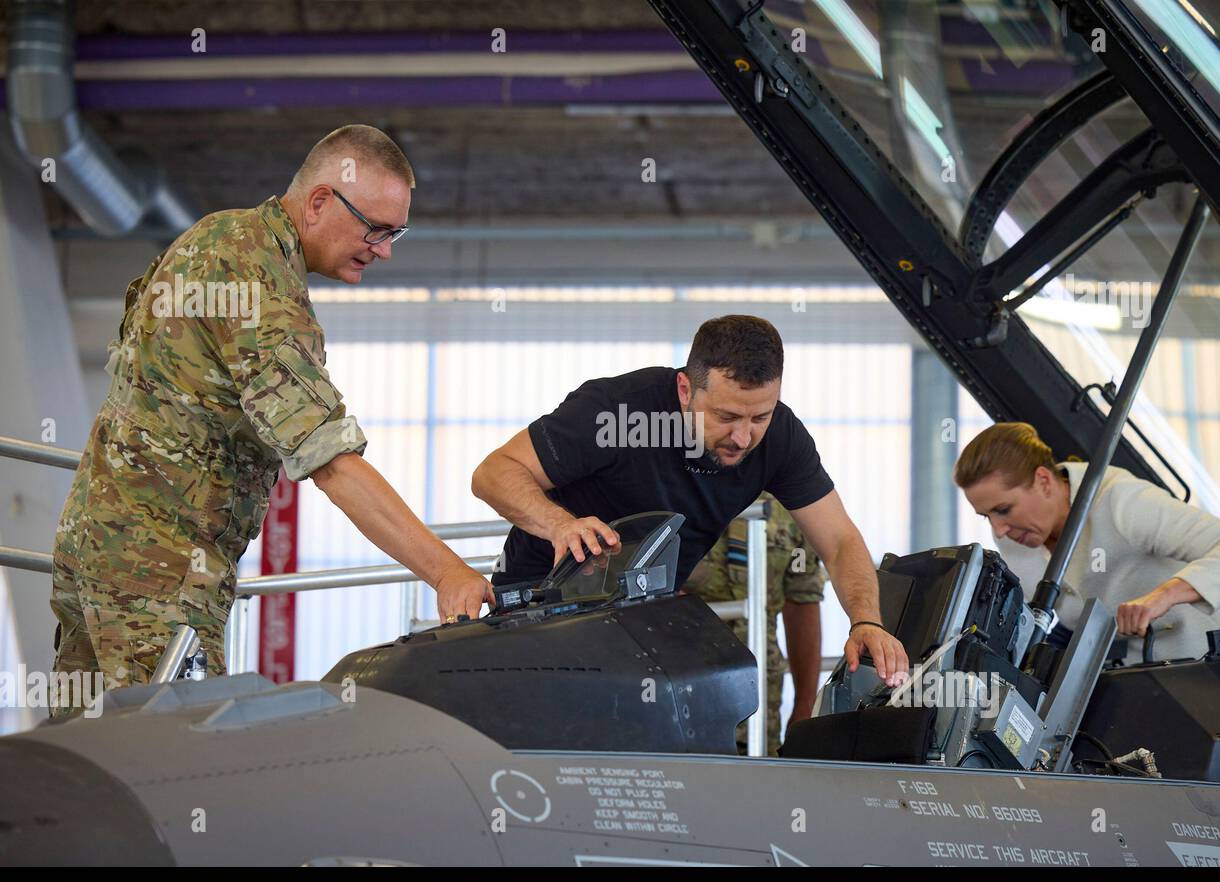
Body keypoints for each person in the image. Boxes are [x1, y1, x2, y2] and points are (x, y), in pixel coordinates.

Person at [50, 125, 491, 709]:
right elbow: (328, 458)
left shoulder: (218, 236)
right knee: (171, 770)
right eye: (377, 229)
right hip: (154, 571)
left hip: (95, 545)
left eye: (396, 233)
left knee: (78, 770)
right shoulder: (258, 285)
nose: (385, 249)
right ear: (319, 202)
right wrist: (446, 572)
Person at [471, 314, 907, 688]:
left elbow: (839, 539)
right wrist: (560, 525)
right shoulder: (616, 411)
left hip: (637, 624)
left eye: (760, 417)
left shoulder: (782, 438)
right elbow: (493, 473)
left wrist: (866, 619)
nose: (743, 437)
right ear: (684, 390)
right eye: (726, 417)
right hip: (537, 610)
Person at [954, 422, 1220, 660]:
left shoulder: (1122, 502)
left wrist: (1162, 597)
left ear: (1043, 481)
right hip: (1130, 662)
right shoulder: (1016, 538)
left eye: (1004, 510)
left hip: (1217, 650)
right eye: (987, 516)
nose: (998, 531)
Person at [683, 493, 827, 755]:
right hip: (685, 705)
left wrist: (805, 705)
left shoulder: (789, 501)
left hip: (760, 710)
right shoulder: (676, 491)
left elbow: (802, 602)